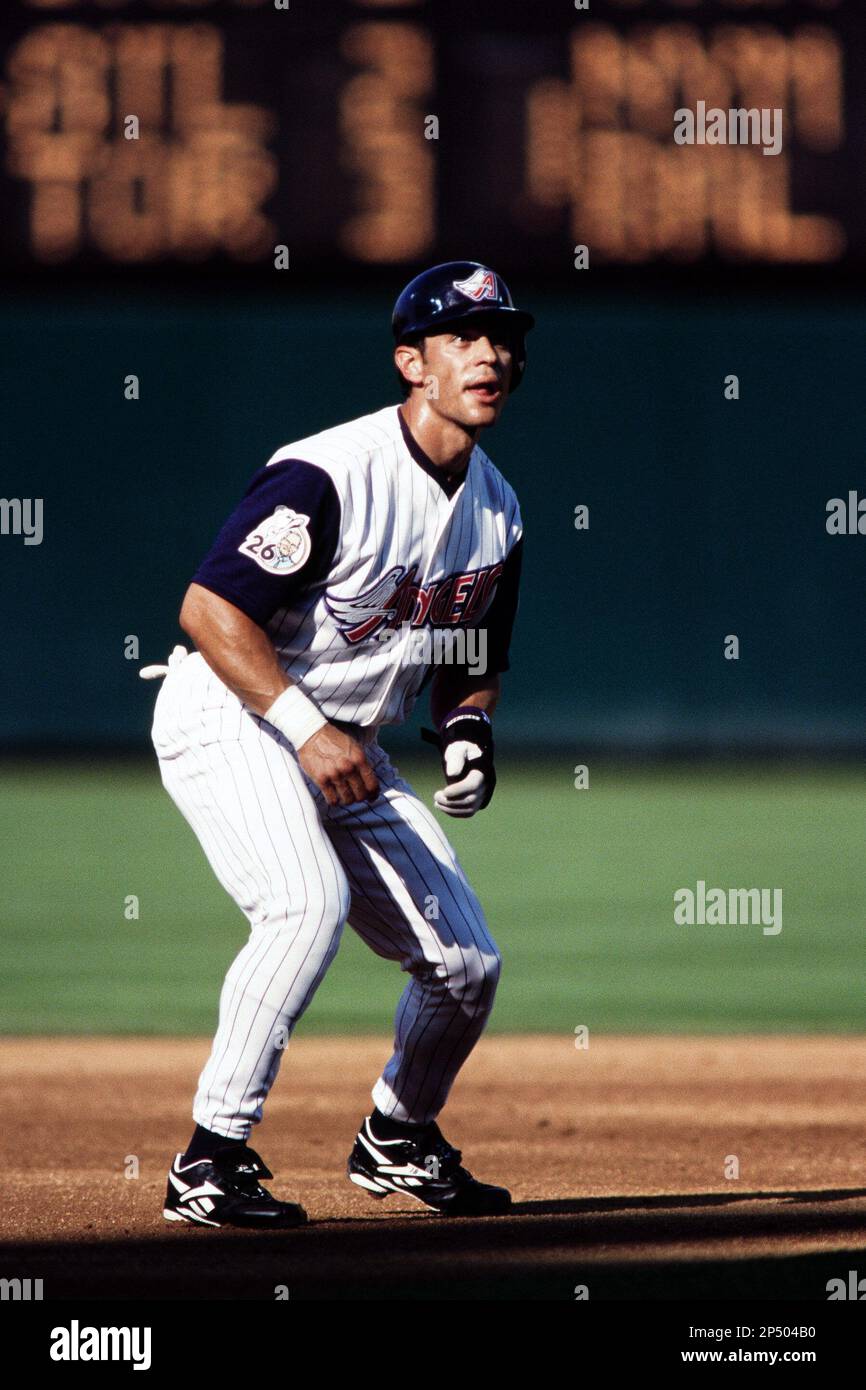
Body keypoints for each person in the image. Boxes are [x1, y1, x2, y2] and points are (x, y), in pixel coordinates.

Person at [143, 261, 532, 1226]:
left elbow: (473, 647)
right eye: (462, 337)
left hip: (345, 738)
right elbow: (210, 610)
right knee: (302, 904)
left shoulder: (501, 508)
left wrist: (470, 725)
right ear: (413, 362)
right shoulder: (328, 470)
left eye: (505, 338)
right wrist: (305, 728)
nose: (491, 353)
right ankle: (209, 1159)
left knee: (465, 965)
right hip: (235, 712)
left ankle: (397, 1136)